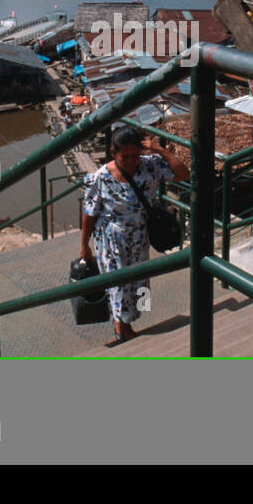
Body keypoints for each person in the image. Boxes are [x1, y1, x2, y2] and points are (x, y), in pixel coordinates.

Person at [80, 126, 190, 343]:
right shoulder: (100, 178)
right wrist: (85, 246)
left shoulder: (149, 166)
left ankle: (129, 323)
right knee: (119, 285)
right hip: (112, 241)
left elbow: (183, 173)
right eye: (125, 157)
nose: (131, 161)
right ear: (113, 154)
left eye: (135, 155)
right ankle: (122, 329)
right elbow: (89, 213)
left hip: (140, 238)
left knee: (138, 283)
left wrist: (159, 149)